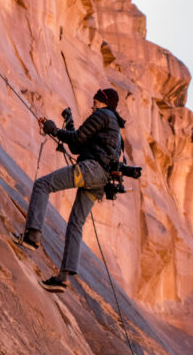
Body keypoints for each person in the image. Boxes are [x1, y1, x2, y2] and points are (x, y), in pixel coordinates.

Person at [15, 88, 126, 292]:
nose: (92, 105)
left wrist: (54, 129)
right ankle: (63, 278)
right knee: (76, 223)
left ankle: (32, 236)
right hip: (100, 182)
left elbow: (75, 140)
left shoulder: (102, 115)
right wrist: (69, 122)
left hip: (89, 170)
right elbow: (78, 146)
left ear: (103, 102)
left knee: (42, 185)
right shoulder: (116, 129)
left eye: (95, 101)